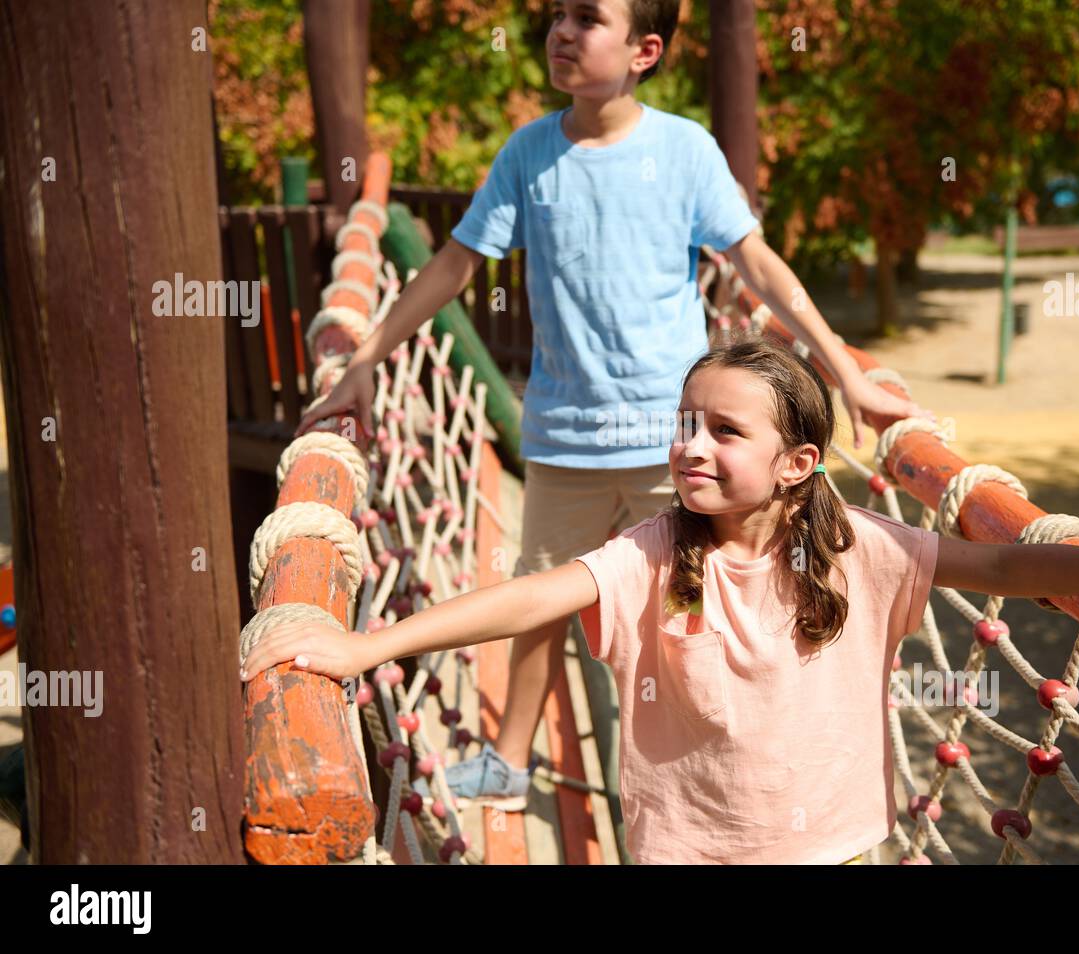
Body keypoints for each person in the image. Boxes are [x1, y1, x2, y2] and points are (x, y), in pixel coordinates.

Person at [244, 339, 1079, 864]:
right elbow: (528, 598)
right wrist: (372, 647)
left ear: (798, 464)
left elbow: (1012, 570)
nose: (691, 446)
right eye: (687, 424)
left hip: (828, 848)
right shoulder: (651, 549)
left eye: (724, 431)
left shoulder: (863, 552)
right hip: (686, 850)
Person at [291, 0, 928, 809]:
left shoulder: (684, 150)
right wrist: (365, 361)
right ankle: (509, 763)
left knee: (699, 610)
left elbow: (757, 264)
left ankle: (727, 775)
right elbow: (451, 266)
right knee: (537, 604)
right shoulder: (529, 154)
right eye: (557, 15)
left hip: (681, 443)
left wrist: (843, 371)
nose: (562, 30)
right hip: (565, 436)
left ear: (643, 50)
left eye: (587, 18)